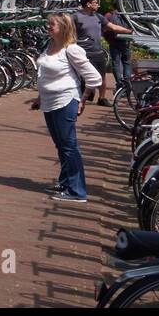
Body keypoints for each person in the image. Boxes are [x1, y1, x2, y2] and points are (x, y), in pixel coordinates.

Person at [30, 12, 102, 203]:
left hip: (65, 100)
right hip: (49, 102)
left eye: (51, 25)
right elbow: (46, 74)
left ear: (63, 27)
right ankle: (66, 182)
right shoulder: (50, 45)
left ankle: (77, 191)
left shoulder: (72, 50)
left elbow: (94, 77)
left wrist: (84, 98)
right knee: (61, 145)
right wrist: (39, 97)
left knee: (69, 146)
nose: (47, 27)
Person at [72, 0, 111, 106]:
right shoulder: (75, 17)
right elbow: (67, 29)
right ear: (88, 4)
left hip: (98, 51)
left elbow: (111, 26)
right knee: (83, 76)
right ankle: (83, 94)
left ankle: (102, 98)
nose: (98, 5)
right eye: (95, 2)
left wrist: (129, 31)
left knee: (102, 76)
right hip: (83, 52)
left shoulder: (98, 17)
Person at [103, 5, 134, 90]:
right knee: (126, 62)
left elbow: (104, 29)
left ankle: (119, 84)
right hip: (125, 42)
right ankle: (127, 83)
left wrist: (108, 39)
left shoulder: (108, 16)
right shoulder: (127, 15)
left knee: (116, 63)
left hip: (113, 42)